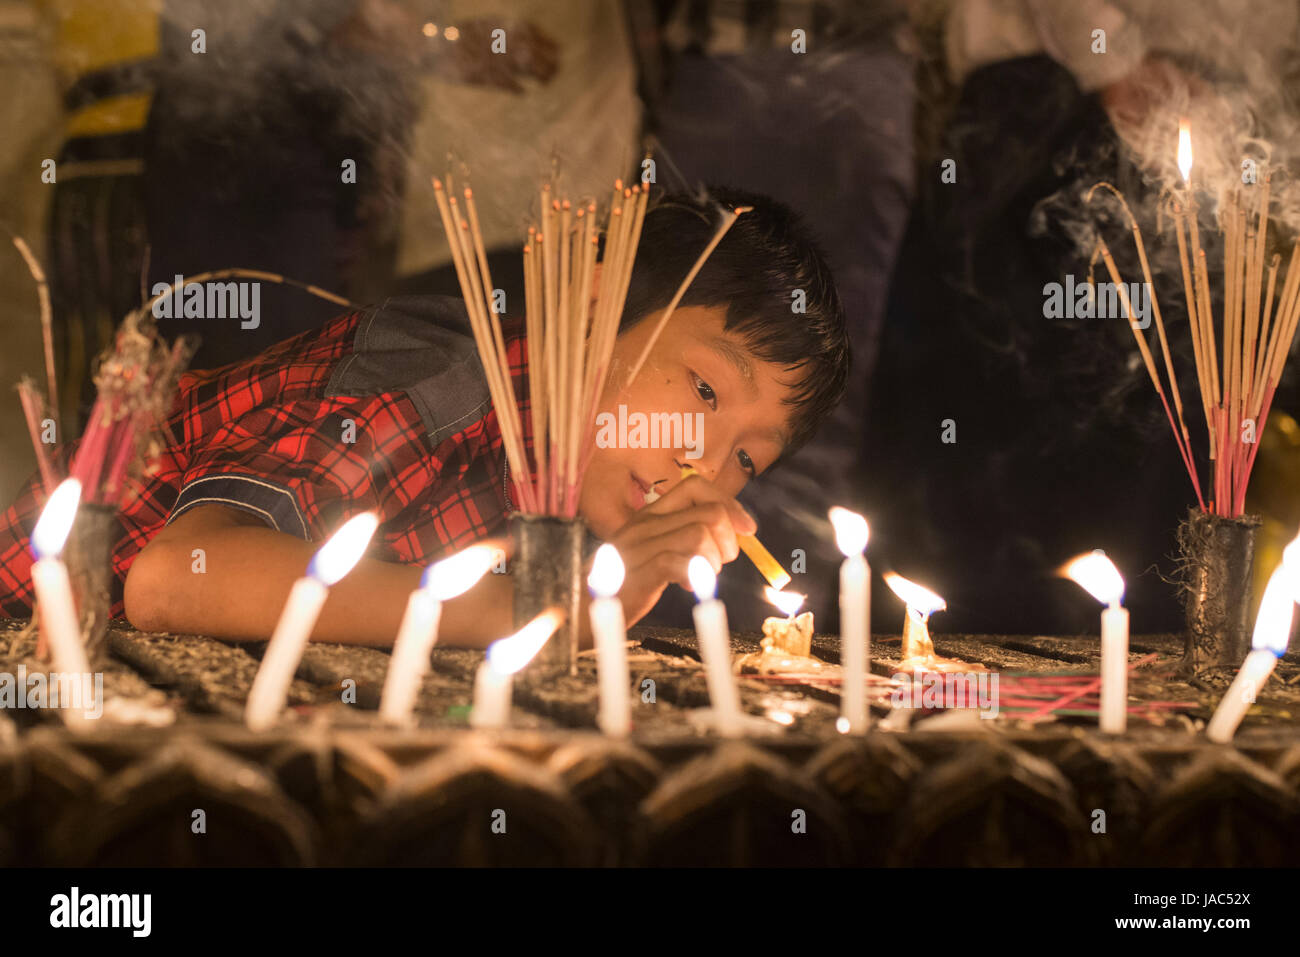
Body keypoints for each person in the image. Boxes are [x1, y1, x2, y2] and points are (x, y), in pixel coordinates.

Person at [0, 186, 848, 649]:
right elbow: (177, 577)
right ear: (593, 306)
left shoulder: (583, 495)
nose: (704, 457)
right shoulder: (441, 378)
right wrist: (533, 609)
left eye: (747, 460)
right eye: (702, 390)